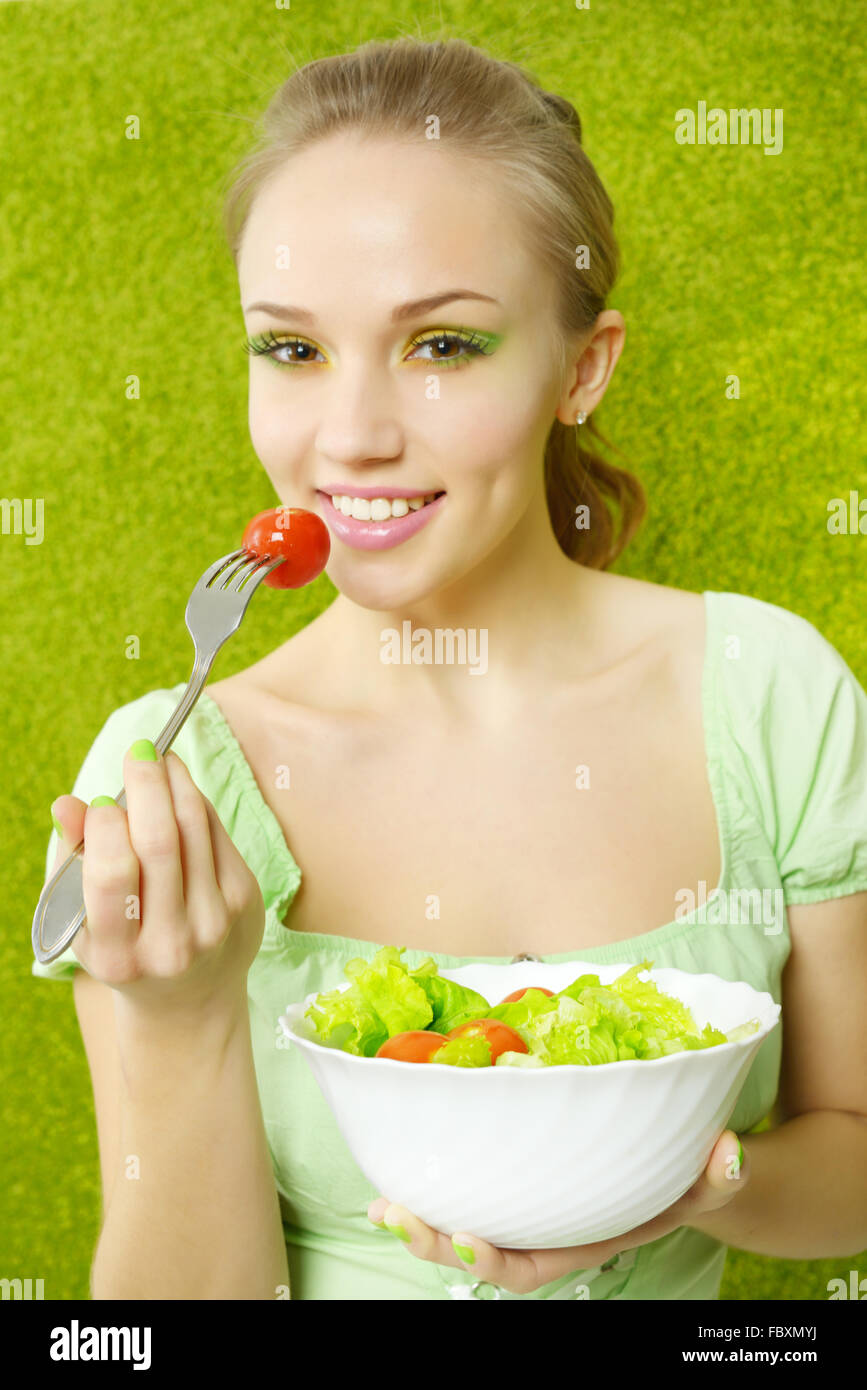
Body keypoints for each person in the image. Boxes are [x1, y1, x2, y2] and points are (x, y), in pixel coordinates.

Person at [35, 36, 867, 1301]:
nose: (352, 439)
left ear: (582, 368)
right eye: (293, 349)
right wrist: (178, 1019)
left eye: (444, 348)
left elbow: (854, 1161)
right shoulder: (173, 779)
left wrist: (693, 1180)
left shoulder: (773, 696)